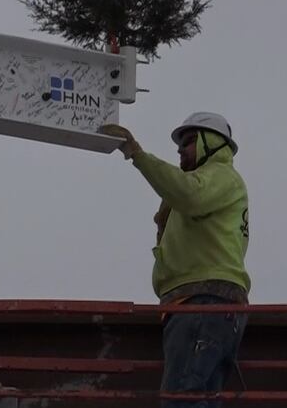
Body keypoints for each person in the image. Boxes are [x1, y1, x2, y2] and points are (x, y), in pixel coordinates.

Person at [100, 113, 250, 408]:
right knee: (198, 398)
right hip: (210, 307)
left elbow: (189, 194)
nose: (180, 149)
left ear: (212, 143)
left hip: (203, 304)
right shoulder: (214, 185)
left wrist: (136, 153)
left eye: (189, 141)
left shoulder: (221, 176)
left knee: (181, 400)